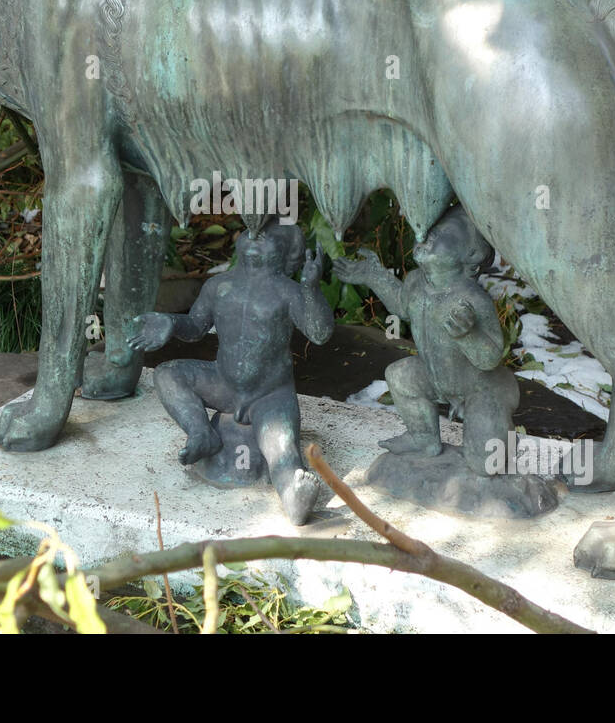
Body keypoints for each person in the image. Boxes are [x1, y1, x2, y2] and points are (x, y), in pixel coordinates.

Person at [128, 220, 333, 525]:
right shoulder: (218, 286)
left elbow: (320, 333)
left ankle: (293, 495)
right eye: (250, 232)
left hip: (270, 396)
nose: (253, 237)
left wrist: (311, 289)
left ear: (289, 253)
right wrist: (171, 322)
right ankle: (201, 432)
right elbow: (196, 327)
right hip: (222, 384)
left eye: (264, 236)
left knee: (281, 448)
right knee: (168, 374)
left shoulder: (287, 292)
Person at [333, 205, 517, 474]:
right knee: (400, 374)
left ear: (471, 255)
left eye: (441, 233)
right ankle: (424, 438)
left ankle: (497, 430)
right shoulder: (416, 281)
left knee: (486, 466)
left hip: (482, 387)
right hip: (435, 377)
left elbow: (489, 359)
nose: (427, 234)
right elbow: (401, 305)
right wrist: (372, 275)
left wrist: (469, 335)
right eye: (429, 229)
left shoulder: (473, 300)